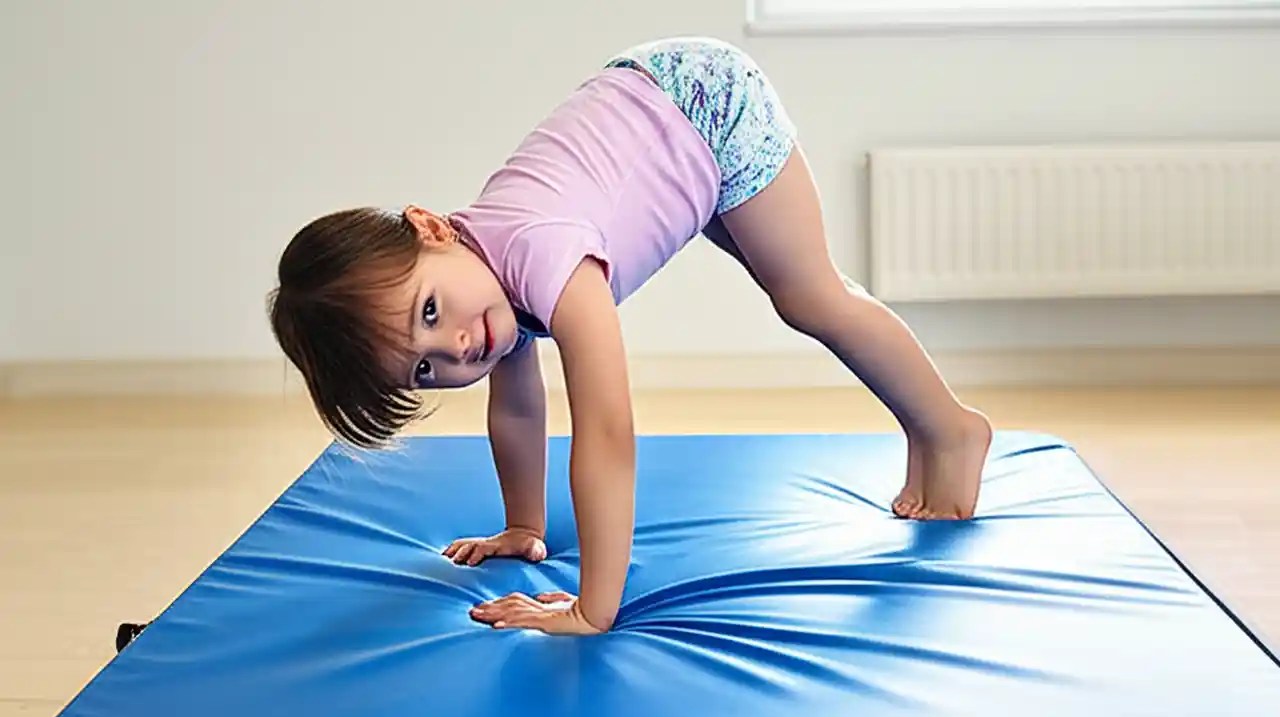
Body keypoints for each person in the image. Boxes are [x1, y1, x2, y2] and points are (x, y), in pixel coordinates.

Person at [265, 37, 992, 636]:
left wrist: (593, 608)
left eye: (429, 313)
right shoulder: (478, 278)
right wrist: (524, 528)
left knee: (810, 297)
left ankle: (952, 431)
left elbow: (607, 430)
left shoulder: (543, 257)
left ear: (430, 226)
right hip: (650, 106)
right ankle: (932, 433)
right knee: (799, 293)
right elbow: (516, 408)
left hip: (708, 106)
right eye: (423, 371)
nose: (455, 348)